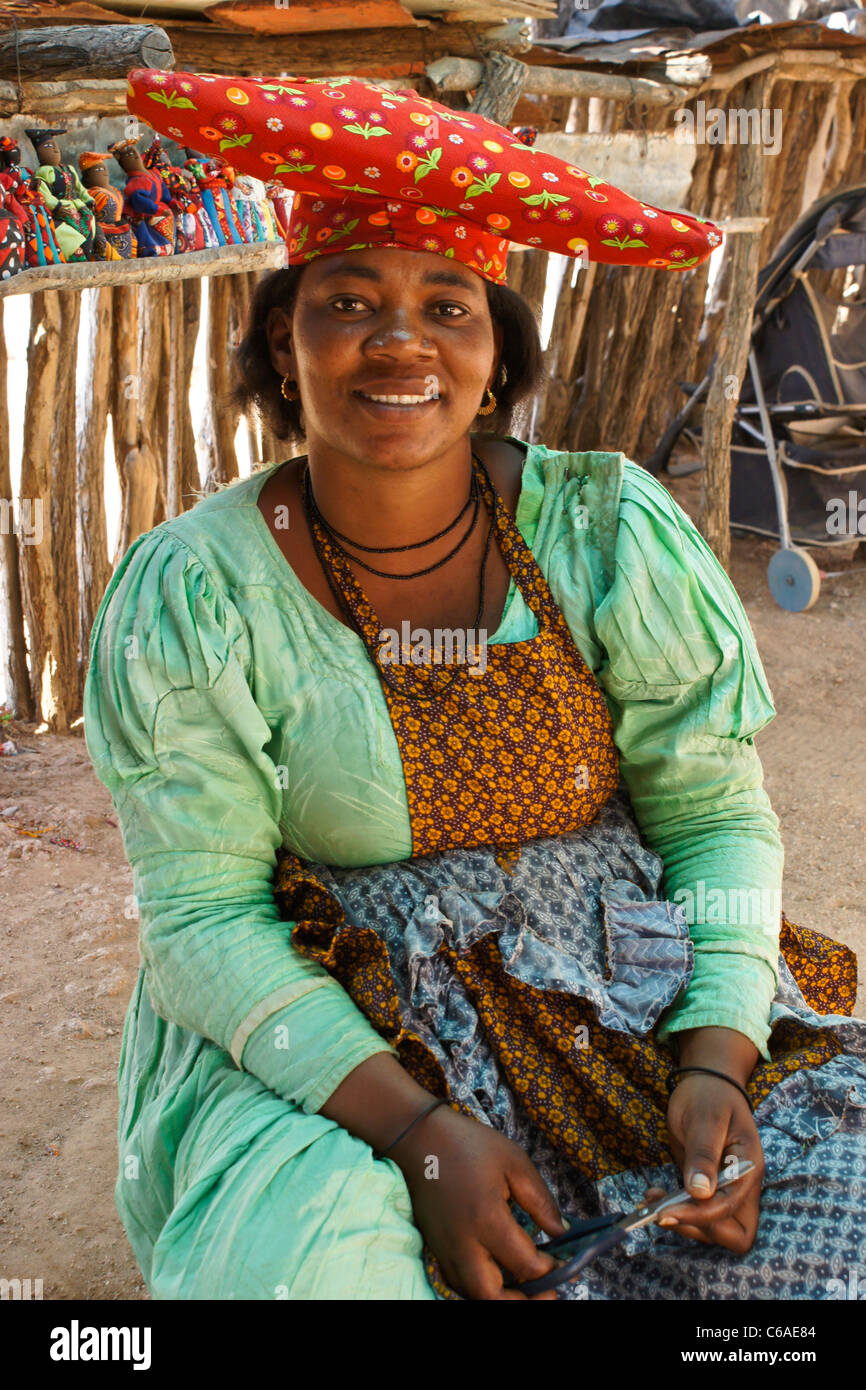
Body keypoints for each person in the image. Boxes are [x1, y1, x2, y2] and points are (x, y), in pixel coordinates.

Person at [83, 67, 866, 1302]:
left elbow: (712, 813)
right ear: (282, 351)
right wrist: (416, 1136)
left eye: (446, 306)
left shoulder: (605, 533)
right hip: (320, 1021)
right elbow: (204, 922)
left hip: (612, 986)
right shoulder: (197, 594)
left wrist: (716, 1049)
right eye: (347, 302)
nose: (398, 341)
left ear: (494, 360)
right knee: (317, 1270)